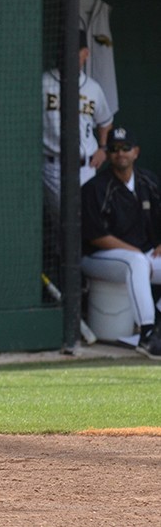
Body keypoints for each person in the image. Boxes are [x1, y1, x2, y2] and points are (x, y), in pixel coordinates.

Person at [81, 125, 161, 358]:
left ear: (135, 152)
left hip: (141, 255)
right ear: (109, 154)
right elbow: (96, 237)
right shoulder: (96, 187)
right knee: (135, 261)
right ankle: (146, 336)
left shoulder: (148, 181)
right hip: (97, 259)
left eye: (126, 148)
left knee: (137, 261)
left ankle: (157, 323)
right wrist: (135, 252)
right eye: (114, 149)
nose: (120, 153)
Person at [43, 30, 114, 201]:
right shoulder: (43, 83)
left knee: (87, 218)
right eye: (65, 51)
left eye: (75, 51)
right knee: (67, 222)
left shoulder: (93, 88)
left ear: (86, 53)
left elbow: (105, 121)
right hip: (52, 167)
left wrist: (103, 148)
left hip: (86, 167)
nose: (69, 56)